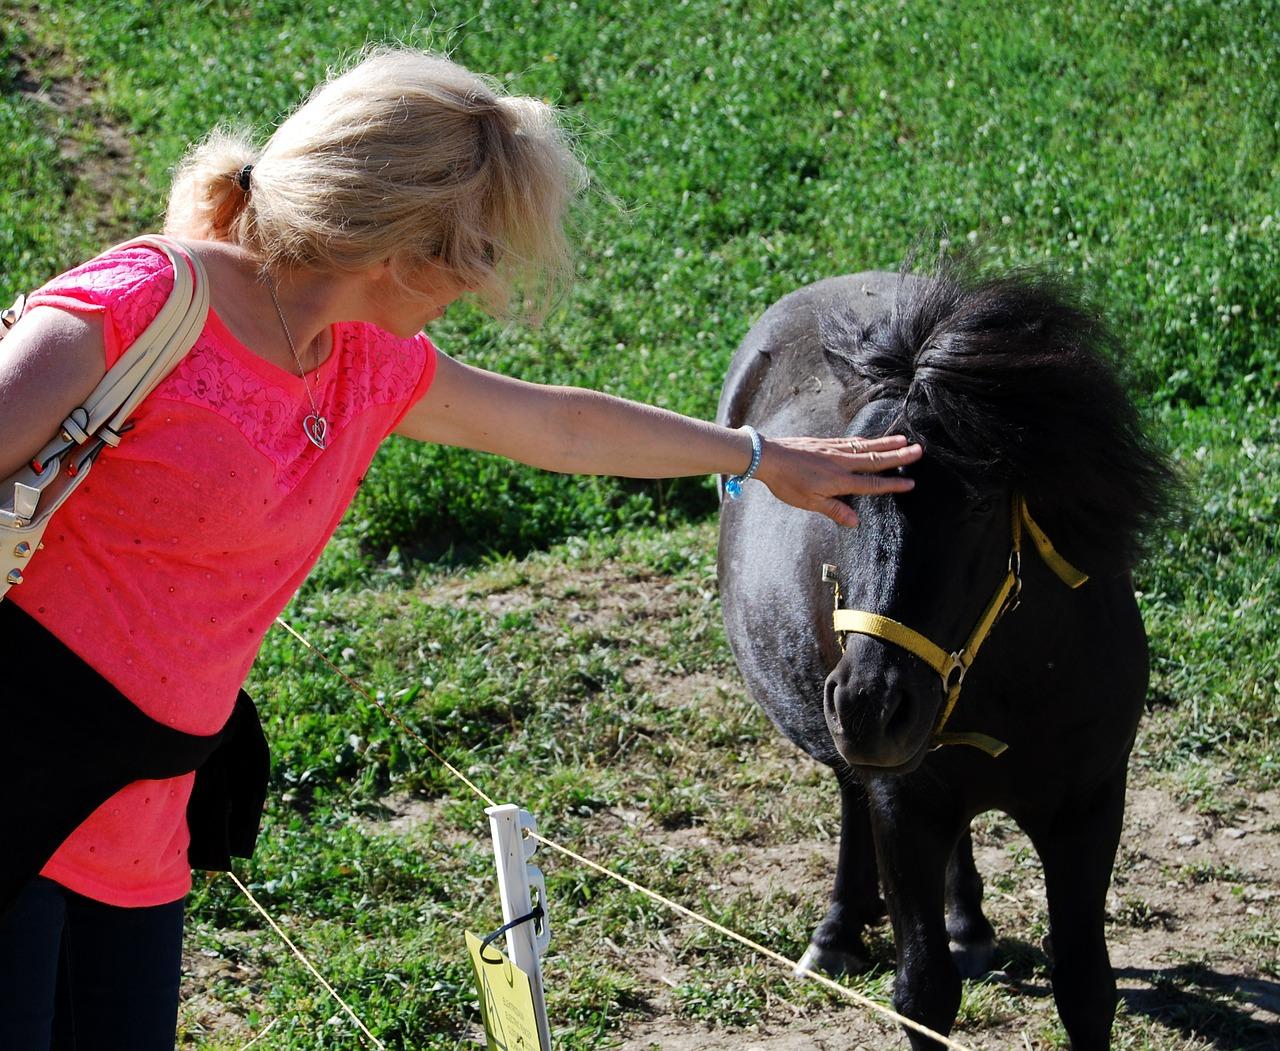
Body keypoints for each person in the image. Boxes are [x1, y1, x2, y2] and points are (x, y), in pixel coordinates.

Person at [0, 47, 921, 1048]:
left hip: (139, 828)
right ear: (394, 235)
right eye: (475, 246)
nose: (484, 280)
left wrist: (755, 455)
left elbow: (555, 427)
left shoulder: (362, 361)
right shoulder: (145, 304)